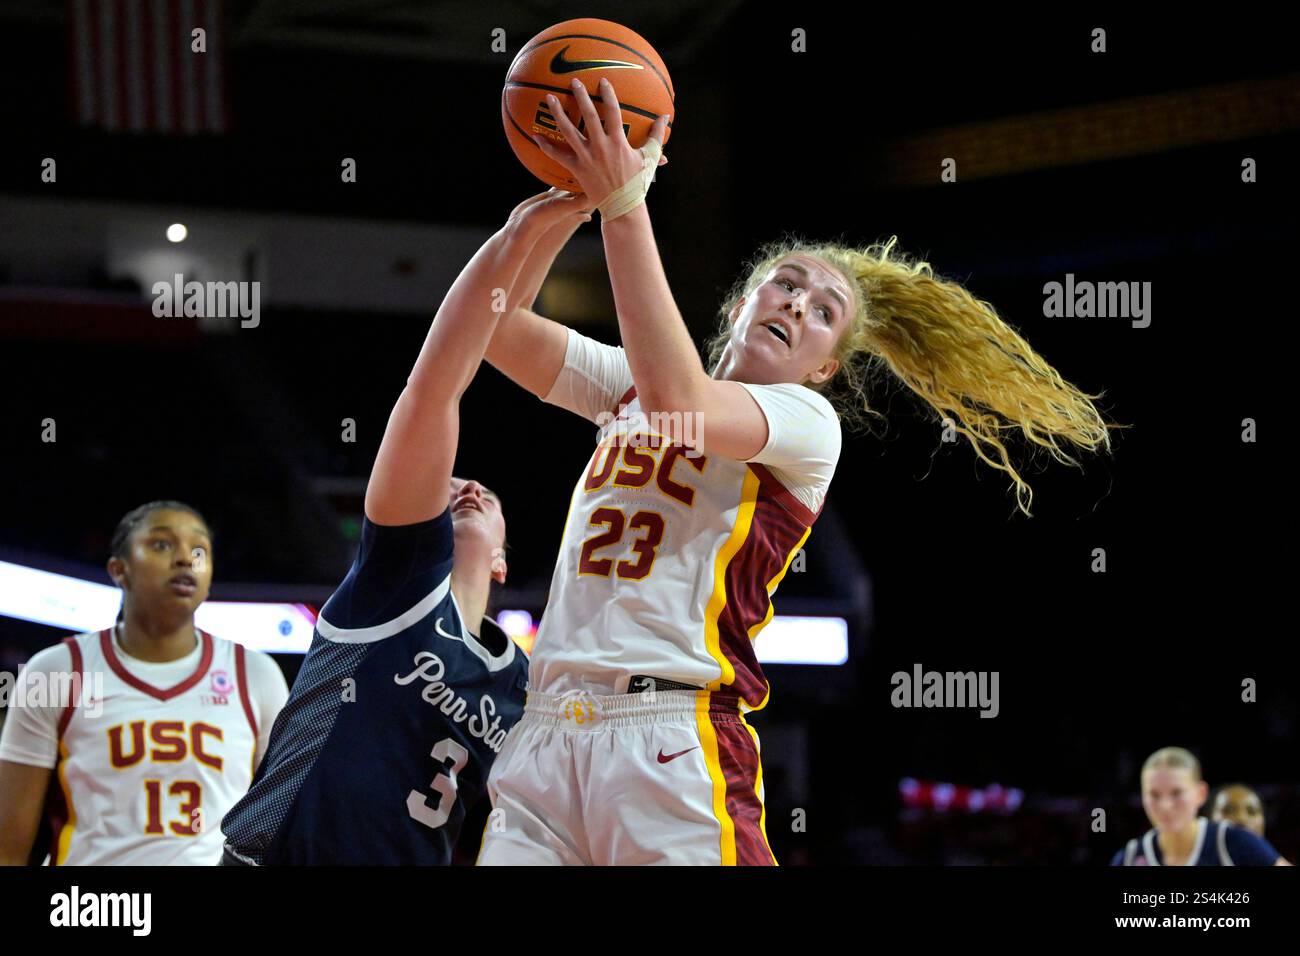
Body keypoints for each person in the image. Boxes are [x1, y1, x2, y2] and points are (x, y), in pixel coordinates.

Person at [476, 78, 1118, 865]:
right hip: (544, 732)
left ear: (823, 369)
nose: (796, 305)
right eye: (786, 283)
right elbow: (494, 326)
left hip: (667, 738)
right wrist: (554, 210)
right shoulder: (625, 387)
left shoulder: (805, 424)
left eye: (823, 312)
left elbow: (681, 400)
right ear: (742, 303)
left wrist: (623, 202)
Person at [216, 189, 585, 864]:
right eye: (452, 485)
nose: (468, 488)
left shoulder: (525, 686)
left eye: (486, 495)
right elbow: (437, 386)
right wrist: (524, 231)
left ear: (502, 561)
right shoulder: (397, 578)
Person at [0, 501, 288, 865]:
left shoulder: (256, 675)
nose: (185, 559)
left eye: (199, 550)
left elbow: (281, 827)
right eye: (162, 544)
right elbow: (8, 847)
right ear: (119, 569)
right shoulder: (56, 671)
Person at [1111, 747, 1291, 866]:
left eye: (1176, 793)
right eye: (1154, 795)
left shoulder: (1233, 842)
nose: (1165, 805)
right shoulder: (1129, 857)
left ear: (1201, 794)